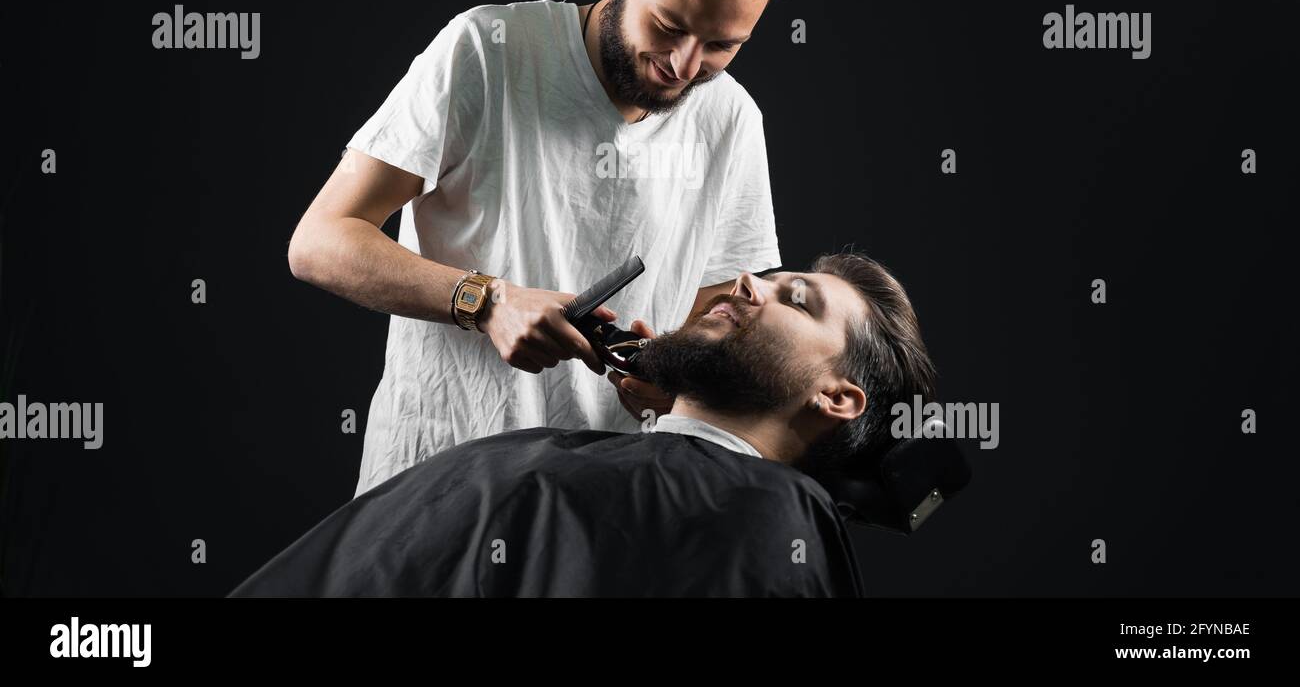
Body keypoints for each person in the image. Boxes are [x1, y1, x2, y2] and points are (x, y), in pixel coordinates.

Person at [285, 0, 817, 497]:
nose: (685, 66)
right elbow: (320, 242)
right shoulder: (489, 51)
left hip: (601, 511)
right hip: (434, 489)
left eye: (722, 45)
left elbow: (710, 318)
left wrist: (673, 383)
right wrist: (483, 300)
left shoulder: (732, 120)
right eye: (669, 26)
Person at [228, 253, 939, 597]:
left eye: (797, 299)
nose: (750, 282)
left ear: (838, 398)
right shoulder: (609, 474)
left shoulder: (764, 519)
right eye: (770, 274)